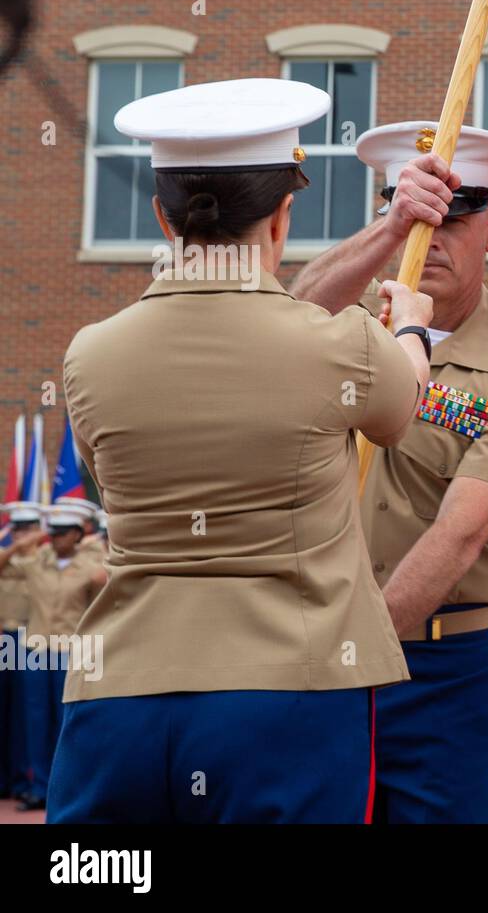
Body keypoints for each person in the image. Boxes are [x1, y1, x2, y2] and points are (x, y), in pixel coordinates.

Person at [47, 78, 432, 823]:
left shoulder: (89, 354)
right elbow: (402, 410)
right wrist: (408, 327)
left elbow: (107, 483)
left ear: (163, 217)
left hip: (118, 697)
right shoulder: (344, 345)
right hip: (288, 697)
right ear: (283, 218)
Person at [290, 121, 488, 824]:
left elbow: (464, 533)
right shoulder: (352, 331)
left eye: (456, 216)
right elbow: (289, 314)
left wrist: (363, 654)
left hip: (451, 667)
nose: (433, 235)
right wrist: (388, 231)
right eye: (418, 214)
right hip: (327, 656)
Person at [0, 502, 106, 811]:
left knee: (67, 722)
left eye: (62, 534)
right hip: (36, 651)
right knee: (34, 722)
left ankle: (69, 788)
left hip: (71, 651)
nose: (55, 539)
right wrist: (23, 542)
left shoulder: (90, 566)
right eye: (53, 533)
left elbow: (105, 585)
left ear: (77, 534)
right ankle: (39, 787)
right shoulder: (37, 562)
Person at [0, 501, 40, 803]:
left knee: (29, 714)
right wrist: (15, 547)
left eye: (27, 529)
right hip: (5, 639)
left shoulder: (47, 559)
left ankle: (26, 778)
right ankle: (5, 778)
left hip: (35, 641)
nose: (21, 535)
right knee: (5, 710)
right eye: (16, 530)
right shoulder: (6, 558)